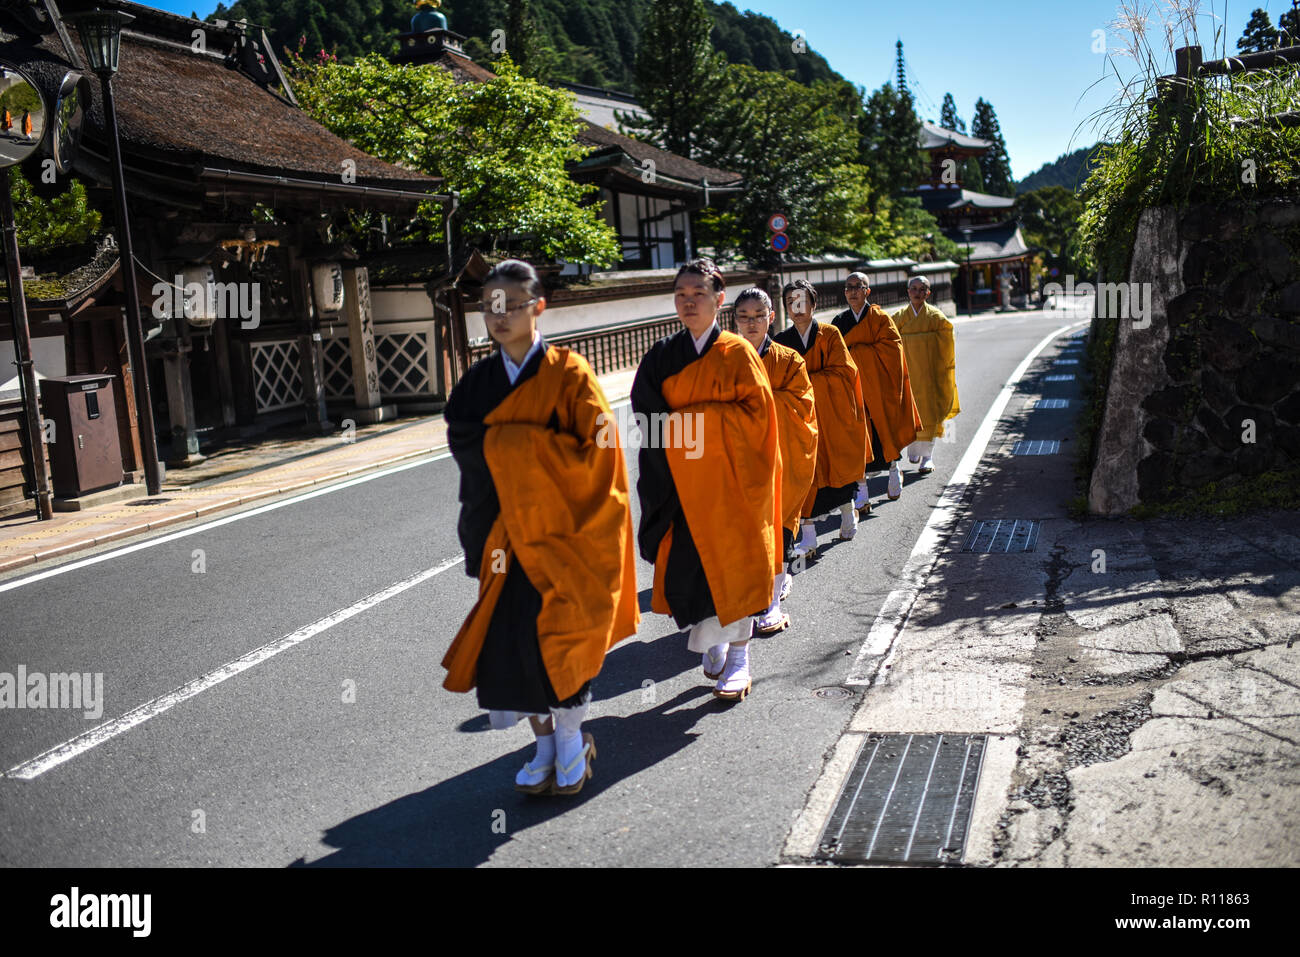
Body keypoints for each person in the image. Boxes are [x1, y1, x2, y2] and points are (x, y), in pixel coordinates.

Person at [441, 259, 639, 796]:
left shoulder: (570, 375)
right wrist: (521, 453)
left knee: (565, 639)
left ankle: (573, 740)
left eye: (511, 305)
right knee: (514, 645)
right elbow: (469, 451)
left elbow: (600, 457)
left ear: (539, 308)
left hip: (568, 535)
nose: (499, 316)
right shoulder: (478, 384)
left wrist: (517, 449)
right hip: (503, 536)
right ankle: (544, 742)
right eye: (489, 307)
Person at [633, 259, 780, 702]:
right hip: (681, 485)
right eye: (681, 294)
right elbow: (649, 420)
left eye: (698, 293)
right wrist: (689, 437)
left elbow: (759, 420)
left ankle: (739, 657)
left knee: (736, 569)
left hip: (732, 485)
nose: (688, 301)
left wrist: (695, 422)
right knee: (692, 570)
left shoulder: (738, 354)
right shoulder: (661, 356)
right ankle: (712, 638)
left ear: (719, 300)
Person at [733, 286, 817, 635]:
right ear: (734, 320)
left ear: (771, 317)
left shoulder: (789, 359)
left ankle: (772, 601)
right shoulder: (724, 358)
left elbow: (802, 409)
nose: (751, 324)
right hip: (737, 461)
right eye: (743, 317)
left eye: (758, 316)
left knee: (779, 527)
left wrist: (755, 408)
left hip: (781, 457)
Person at [772, 278, 867, 555]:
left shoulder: (830, 334)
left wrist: (805, 383)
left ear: (814, 304)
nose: (797, 307)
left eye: (802, 301)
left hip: (831, 416)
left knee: (836, 471)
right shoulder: (781, 343)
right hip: (799, 421)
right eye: (791, 302)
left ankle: (848, 511)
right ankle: (809, 535)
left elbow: (844, 373)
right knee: (803, 475)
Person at [832, 272, 921, 503]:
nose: (852, 292)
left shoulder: (880, 318)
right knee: (858, 435)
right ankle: (862, 488)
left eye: (857, 287)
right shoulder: (839, 322)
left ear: (867, 291)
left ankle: (894, 470)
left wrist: (859, 353)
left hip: (880, 388)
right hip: (854, 389)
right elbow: (835, 356)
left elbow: (893, 350)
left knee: (884, 431)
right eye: (848, 287)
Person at [892, 276, 960, 474]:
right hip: (907, 375)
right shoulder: (900, 316)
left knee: (929, 415)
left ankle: (927, 457)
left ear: (928, 293)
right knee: (910, 415)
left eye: (922, 289)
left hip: (930, 374)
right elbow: (889, 338)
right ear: (908, 292)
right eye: (913, 288)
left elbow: (947, 334)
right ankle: (914, 449)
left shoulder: (936, 316)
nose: (917, 292)